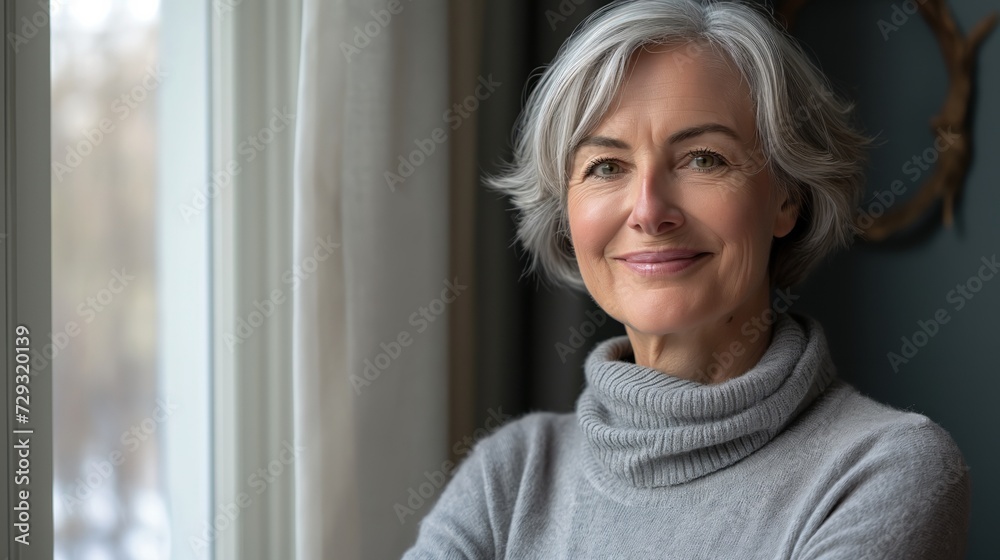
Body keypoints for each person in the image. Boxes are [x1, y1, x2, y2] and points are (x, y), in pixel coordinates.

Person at [402, 0, 971, 558]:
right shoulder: (509, 474)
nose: (649, 211)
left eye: (703, 159)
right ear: (566, 211)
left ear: (786, 199)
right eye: (606, 167)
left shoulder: (884, 469)